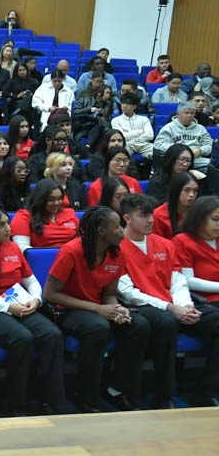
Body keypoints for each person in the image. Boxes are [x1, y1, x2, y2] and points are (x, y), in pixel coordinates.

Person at [44, 206, 150, 412]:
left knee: (139, 325)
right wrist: (98, 309)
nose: (122, 230)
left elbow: (109, 294)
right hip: (66, 309)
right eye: (117, 226)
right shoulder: (72, 251)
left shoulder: (117, 254)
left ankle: (117, 389)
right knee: (98, 327)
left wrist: (117, 309)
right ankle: (86, 396)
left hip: (97, 308)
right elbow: (50, 294)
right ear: (101, 231)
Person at [0, 207, 64, 415]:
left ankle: (50, 400)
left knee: (53, 334)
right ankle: (15, 403)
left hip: (21, 304)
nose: (8, 228)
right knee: (22, 338)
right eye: (1, 225)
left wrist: (35, 300)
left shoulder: (13, 248)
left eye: (8, 223)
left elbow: (32, 281)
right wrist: (8, 308)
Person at [117, 194, 219, 408]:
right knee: (166, 322)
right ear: (126, 218)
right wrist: (171, 308)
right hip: (143, 308)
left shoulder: (164, 244)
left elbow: (178, 280)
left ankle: (206, 390)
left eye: (151, 215)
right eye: (143, 216)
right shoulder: (116, 248)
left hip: (175, 305)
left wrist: (185, 305)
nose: (150, 220)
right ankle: (164, 396)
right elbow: (128, 293)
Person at [10, 179, 80, 253]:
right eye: (51, 199)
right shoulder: (23, 217)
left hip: (71, 258)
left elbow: (84, 239)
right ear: (40, 199)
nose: (56, 203)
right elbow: (22, 249)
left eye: (59, 199)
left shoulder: (69, 213)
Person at [153, 172, 198, 238]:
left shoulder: (198, 212)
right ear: (176, 190)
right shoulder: (159, 215)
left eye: (195, 191)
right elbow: (156, 243)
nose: (192, 195)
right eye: (186, 190)